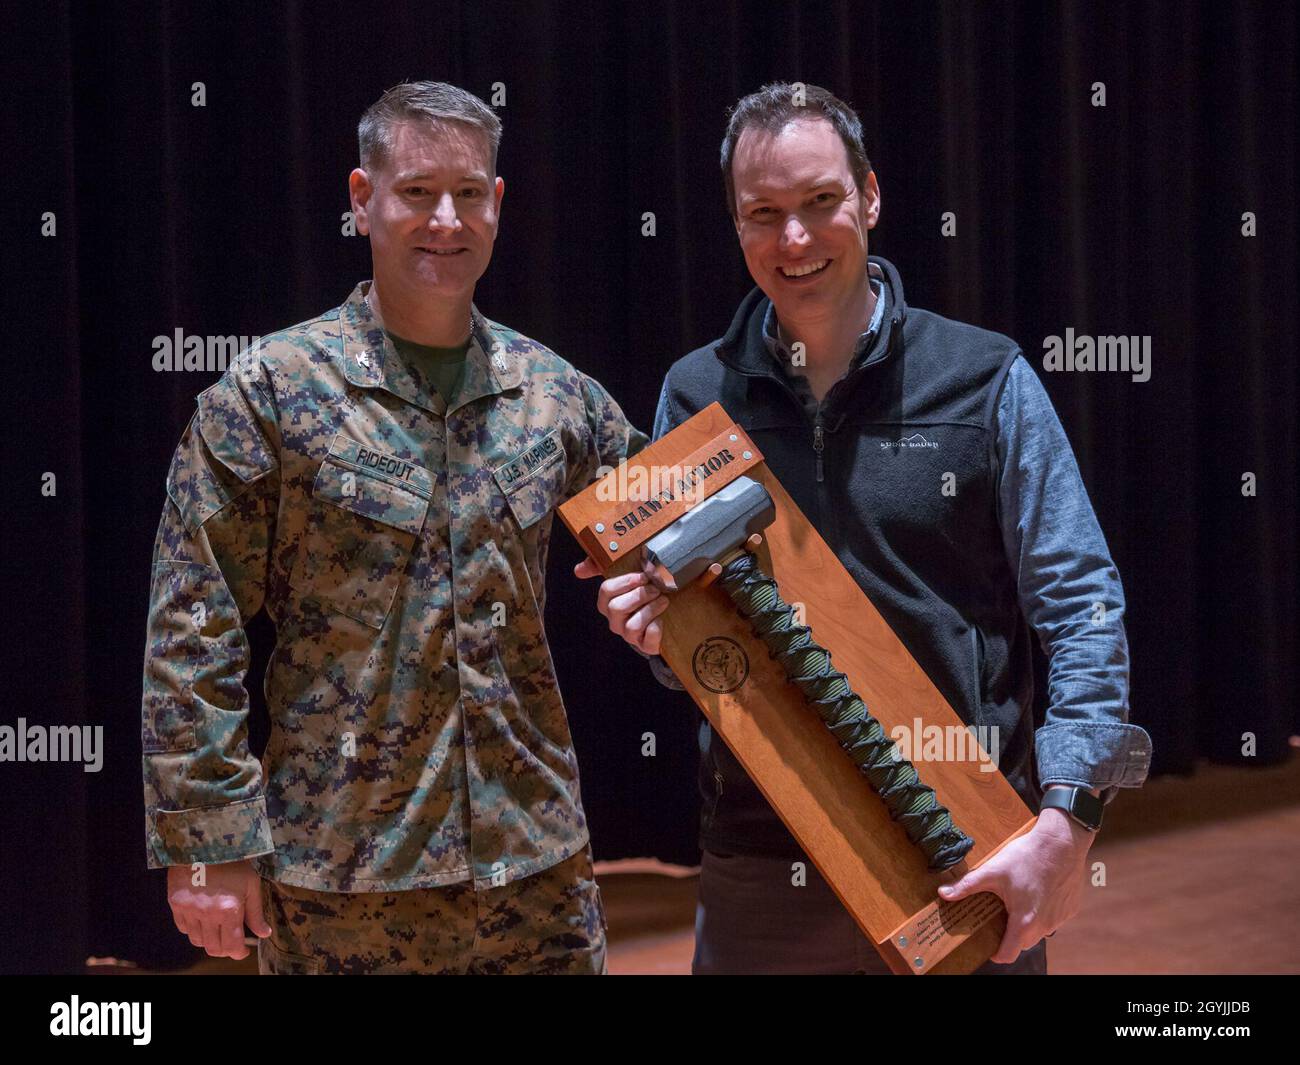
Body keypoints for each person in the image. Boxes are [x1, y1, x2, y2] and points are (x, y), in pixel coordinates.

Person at [578, 83, 1152, 975]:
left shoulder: (983, 377)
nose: (794, 239)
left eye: (820, 202)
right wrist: (650, 629)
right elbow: (684, 652)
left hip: (965, 847)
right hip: (759, 866)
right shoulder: (696, 395)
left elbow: (1080, 605)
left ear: (871, 196)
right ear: (735, 223)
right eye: (763, 213)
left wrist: (1068, 817)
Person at [142, 81, 647, 974]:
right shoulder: (273, 392)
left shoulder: (557, 397)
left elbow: (678, 532)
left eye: (467, 193)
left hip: (534, 873)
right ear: (361, 197)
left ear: (498, 205)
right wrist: (208, 838)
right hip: (343, 886)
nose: (443, 219)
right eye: (415, 191)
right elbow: (194, 621)